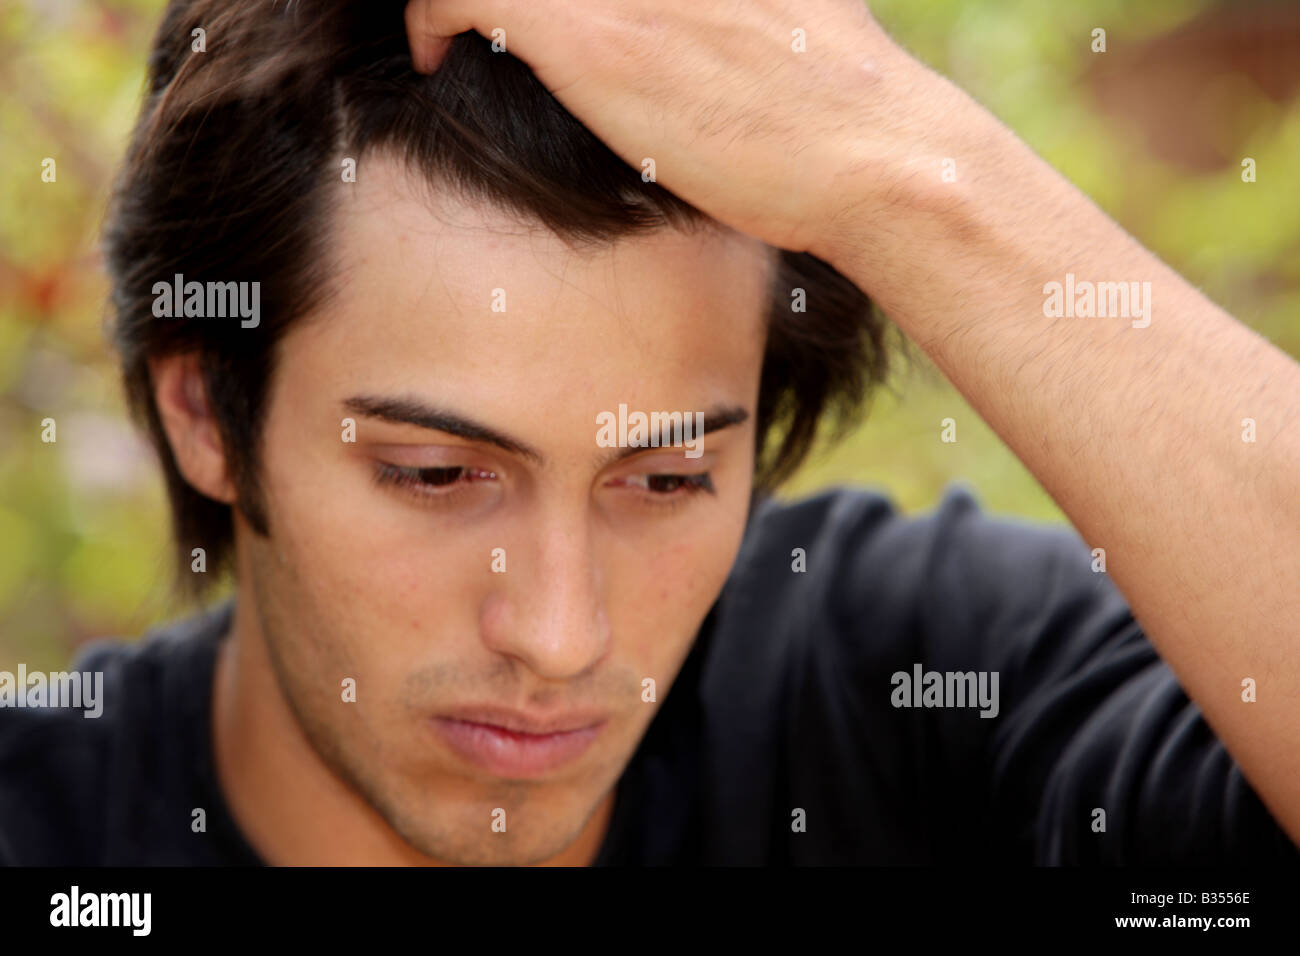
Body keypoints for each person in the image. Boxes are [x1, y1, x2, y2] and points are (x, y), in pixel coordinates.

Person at [1, 0, 1297, 866]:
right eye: (437, 472)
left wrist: (905, 170)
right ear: (203, 415)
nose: (563, 636)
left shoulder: (916, 697)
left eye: (668, 478)